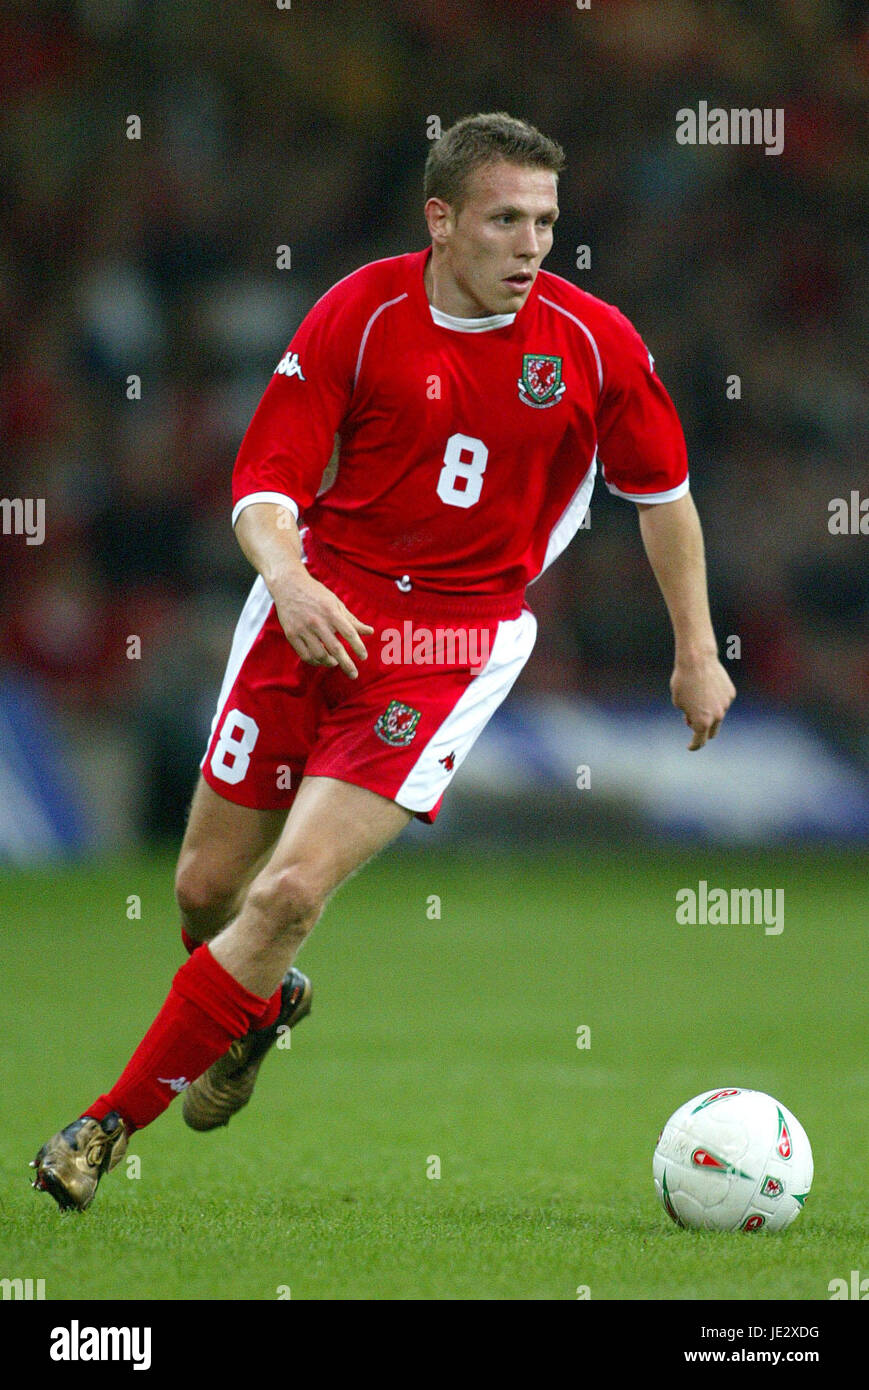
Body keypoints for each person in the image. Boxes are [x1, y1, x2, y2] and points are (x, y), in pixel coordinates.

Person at [32, 112, 735, 1211]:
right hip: (308, 612)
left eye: (546, 221)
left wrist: (696, 648)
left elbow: (663, 496)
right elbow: (262, 489)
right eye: (506, 219)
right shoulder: (357, 316)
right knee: (207, 893)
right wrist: (293, 583)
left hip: (448, 647)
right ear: (441, 219)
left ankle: (104, 1125)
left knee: (290, 893)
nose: (531, 244)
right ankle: (258, 1011)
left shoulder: (594, 345)